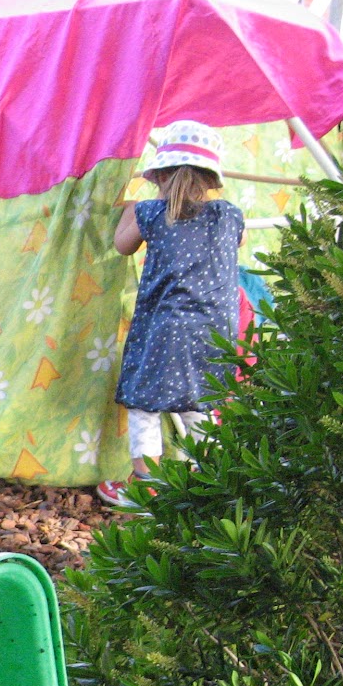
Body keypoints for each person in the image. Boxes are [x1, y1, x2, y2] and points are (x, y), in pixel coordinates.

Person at [97, 120, 244, 509]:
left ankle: (146, 486)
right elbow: (236, 244)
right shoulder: (230, 216)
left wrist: (132, 207)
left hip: (167, 325)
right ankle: (208, 482)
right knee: (200, 403)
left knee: (145, 403)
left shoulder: (150, 212)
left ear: (159, 174)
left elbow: (121, 245)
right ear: (211, 180)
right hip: (216, 329)